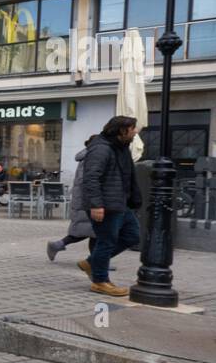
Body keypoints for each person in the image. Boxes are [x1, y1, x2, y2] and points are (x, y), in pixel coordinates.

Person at [80, 115, 143, 297]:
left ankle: (92, 262)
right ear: (122, 130)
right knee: (106, 242)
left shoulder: (121, 148)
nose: (135, 132)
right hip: (105, 204)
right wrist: (96, 205)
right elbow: (91, 177)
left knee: (132, 235)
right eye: (132, 129)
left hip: (120, 202)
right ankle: (100, 281)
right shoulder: (101, 148)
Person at [46, 139, 96, 262]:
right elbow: (88, 181)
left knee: (91, 232)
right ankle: (97, 261)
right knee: (91, 231)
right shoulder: (91, 158)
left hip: (86, 200)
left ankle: (96, 260)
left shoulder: (89, 156)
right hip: (87, 201)